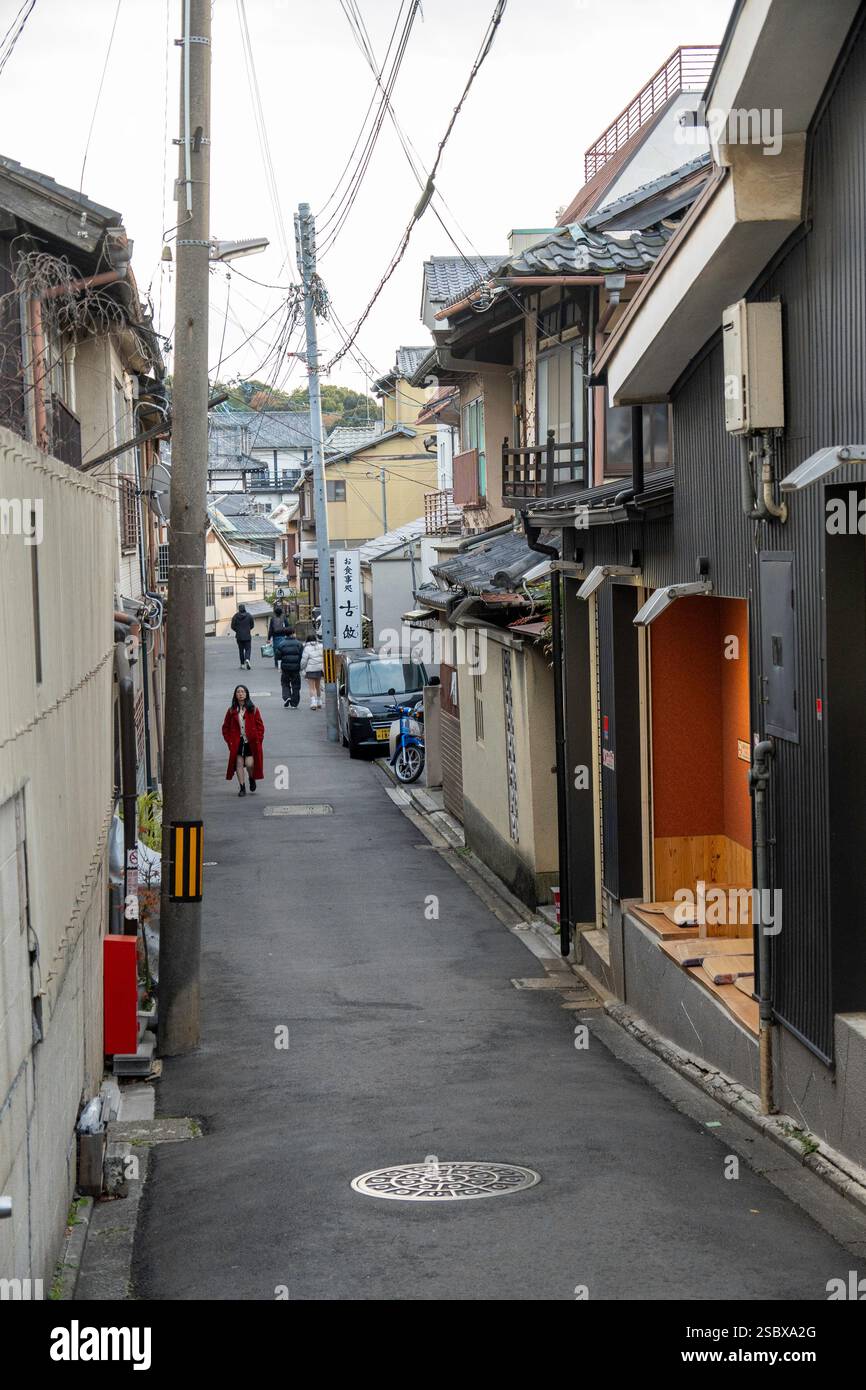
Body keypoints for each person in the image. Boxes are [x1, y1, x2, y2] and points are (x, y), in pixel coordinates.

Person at [221, 685, 265, 796]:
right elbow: (225, 727)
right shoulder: (231, 710)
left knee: (249, 764)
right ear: (235, 695)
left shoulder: (253, 709)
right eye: (238, 692)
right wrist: (229, 741)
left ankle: (251, 778)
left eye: (243, 691)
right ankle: (242, 787)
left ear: (246, 694)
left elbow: (260, 727)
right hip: (237, 742)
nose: (240, 694)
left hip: (251, 742)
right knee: (239, 764)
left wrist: (258, 739)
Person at [277, 625, 304, 709]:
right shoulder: (299, 644)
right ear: (293, 633)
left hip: (285, 668)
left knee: (285, 683)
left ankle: (287, 696)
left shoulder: (281, 644)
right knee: (296, 685)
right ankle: (294, 703)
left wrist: (279, 667)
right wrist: (301, 666)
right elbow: (302, 656)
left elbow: (278, 657)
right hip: (296, 668)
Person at [300, 633, 324, 708]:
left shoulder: (306, 648)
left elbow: (304, 661)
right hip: (319, 669)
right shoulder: (321, 646)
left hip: (310, 670)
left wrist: (302, 667)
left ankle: (313, 703)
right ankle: (319, 702)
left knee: (311, 687)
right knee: (318, 686)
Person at [231, 604, 255, 669]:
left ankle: (242, 664)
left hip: (239, 636)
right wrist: (248, 629)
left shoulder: (235, 616)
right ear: (244, 608)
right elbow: (252, 625)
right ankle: (247, 659)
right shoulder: (249, 615)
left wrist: (237, 630)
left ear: (239, 609)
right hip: (247, 635)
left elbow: (232, 626)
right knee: (248, 649)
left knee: (241, 650)